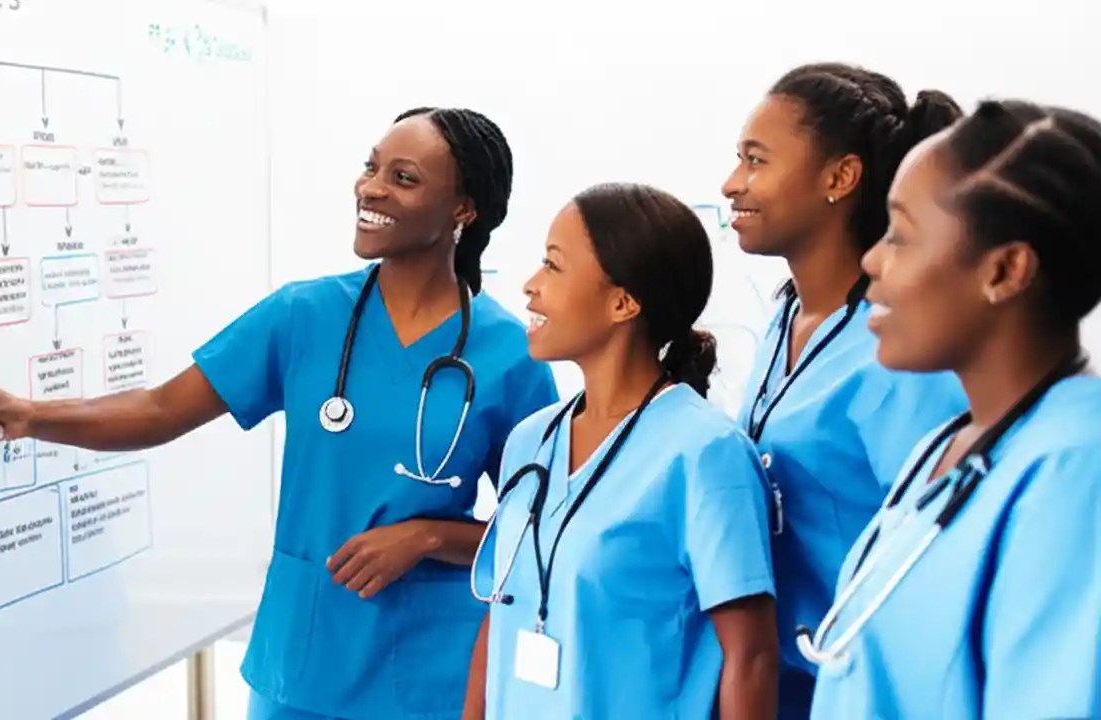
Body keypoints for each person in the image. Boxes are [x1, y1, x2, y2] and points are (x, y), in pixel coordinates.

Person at [0, 107, 559, 720]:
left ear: (463, 209)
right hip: (300, 663)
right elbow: (160, 408)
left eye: (403, 177)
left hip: (425, 674)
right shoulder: (303, 316)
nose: (372, 189)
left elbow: (543, 531)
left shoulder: (509, 356)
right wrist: (26, 415)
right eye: (371, 167)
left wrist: (430, 536)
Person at [806, 98, 1101, 719]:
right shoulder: (945, 449)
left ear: (1005, 270)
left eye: (901, 237)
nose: (871, 261)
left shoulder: (1076, 468)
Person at [462, 183, 778, 719]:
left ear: (623, 302)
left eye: (553, 266)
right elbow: (500, 613)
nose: (530, 286)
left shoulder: (705, 453)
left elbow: (750, 657)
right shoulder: (531, 441)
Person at [719, 62, 971, 717]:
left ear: (840, 177)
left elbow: (940, 558)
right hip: (780, 681)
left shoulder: (899, 352)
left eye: (756, 160)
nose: (731, 183)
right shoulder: (783, 321)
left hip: (872, 687)